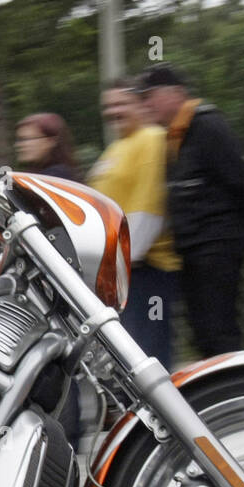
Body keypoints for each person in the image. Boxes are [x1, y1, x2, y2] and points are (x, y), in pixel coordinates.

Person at [138, 64, 244, 357]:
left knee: (219, 329)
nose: (146, 104)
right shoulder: (175, 135)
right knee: (204, 332)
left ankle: (237, 392)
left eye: (150, 96)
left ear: (176, 94)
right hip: (194, 249)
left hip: (216, 245)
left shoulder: (206, 126)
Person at [88, 78, 179, 367]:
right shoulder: (116, 148)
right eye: (108, 105)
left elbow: (149, 201)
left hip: (146, 270)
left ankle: (163, 411)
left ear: (140, 105)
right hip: (119, 271)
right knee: (127, 354)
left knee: (148, 354)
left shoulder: (150, 138)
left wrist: (129, 254)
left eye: (121, 103)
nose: (113, 110)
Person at [14, 112, 81, 181]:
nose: (19, 145)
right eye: (19, 140)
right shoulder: (40, 174)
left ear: (51, 141)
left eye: (26, 139)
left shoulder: (56, 177)